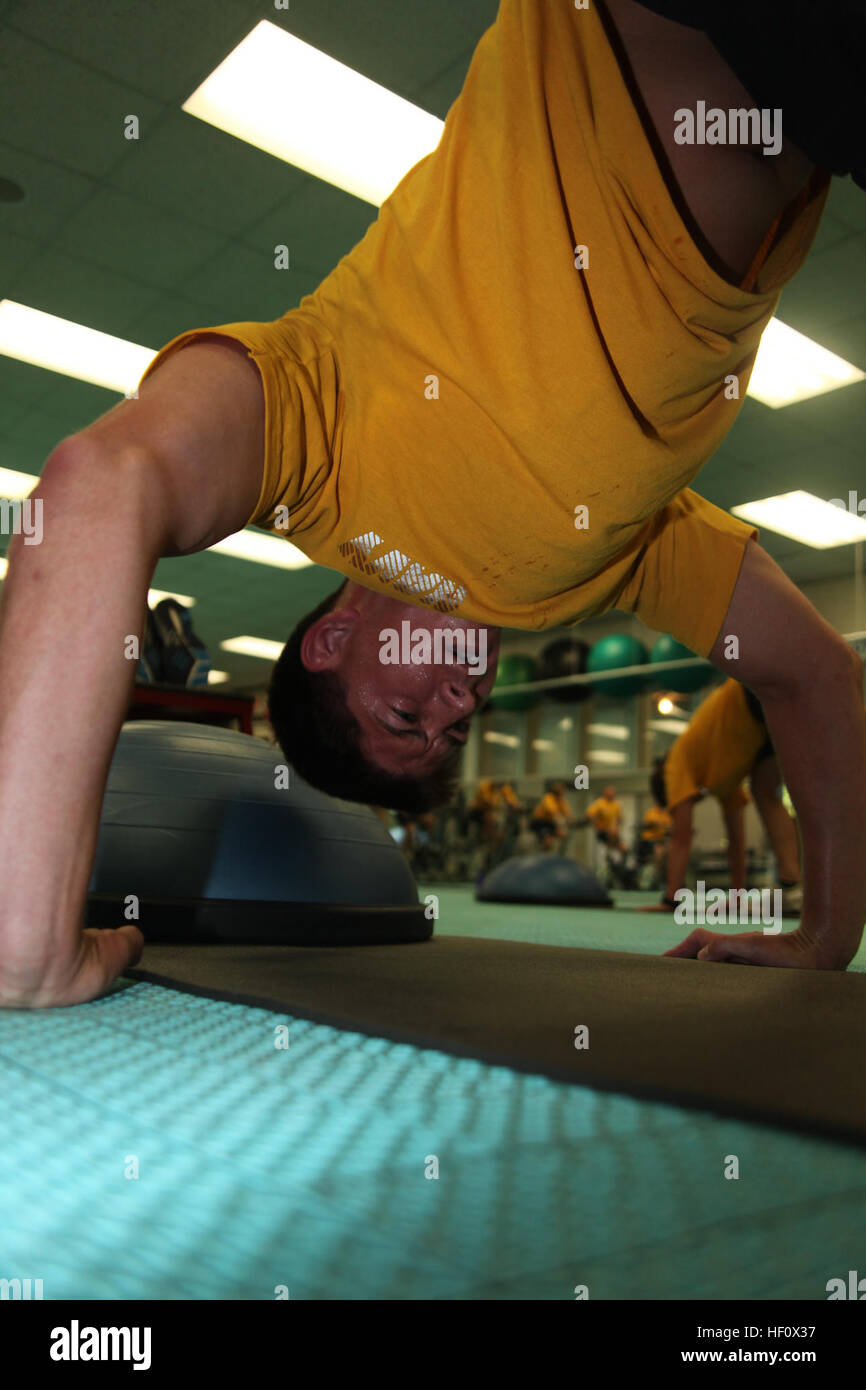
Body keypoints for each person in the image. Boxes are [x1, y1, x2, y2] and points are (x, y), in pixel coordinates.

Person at [2, 0, 865, 1008]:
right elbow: (812, 675)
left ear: (328, 642)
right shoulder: (590, 564)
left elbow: (97, 482)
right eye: (451, 734)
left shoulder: (316, 446)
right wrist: (824, 937)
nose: (457, 708)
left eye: (406, 709)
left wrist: (28, 942)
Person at [641, 680, 803, 914]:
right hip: (759, 730)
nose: (692, 802)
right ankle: (791, 888)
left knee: (771, 792)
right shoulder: (720, 779)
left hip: (748, 693)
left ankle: (796, 884)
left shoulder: (675, 763)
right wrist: (737, 897)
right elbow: (736, 841)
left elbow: (681, 838)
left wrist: (670, 901)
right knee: (765, 793)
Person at [636, 759, 673, 887]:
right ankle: (656, 877)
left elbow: (670, 828)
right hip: (651, 842)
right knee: (658, 852)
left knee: (669, 851)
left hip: (663, 841)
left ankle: (668, 877)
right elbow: (650, 825)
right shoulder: (651, 813)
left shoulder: (668, 813)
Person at [530, 782, 578, 853]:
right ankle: (543, 850)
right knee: (548, 840)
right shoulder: (548, 798)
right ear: (557, 791)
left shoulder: (561, 800)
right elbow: (553, 812)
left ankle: (556, 853)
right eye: (562, 790)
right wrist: (562, 822)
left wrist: (571, 819)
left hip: (549, 822)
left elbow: (567, 812)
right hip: (540, 822)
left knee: (563, 835)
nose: (564, 792)